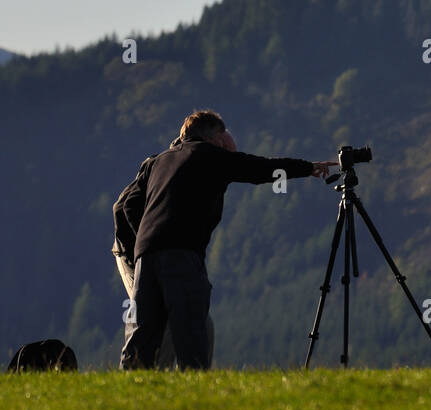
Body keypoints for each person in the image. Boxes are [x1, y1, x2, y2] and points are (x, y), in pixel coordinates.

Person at [118, 109, 336, 370]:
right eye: (225, 136)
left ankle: (128, 390)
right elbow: (260, 168)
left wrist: (142, 240)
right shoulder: (210, 156)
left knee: (143, 334)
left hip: (146, 255)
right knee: (190, 330)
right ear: (215, 138)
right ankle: (195, 394)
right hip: (182, 253)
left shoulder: (158, 161)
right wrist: (308, 167)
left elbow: (126, 204)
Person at [112, 136, 214, 368]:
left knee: (191, 318)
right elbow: (123, 207)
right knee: (161, 317)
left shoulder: (179, 165)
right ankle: (153, 374)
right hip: (132, 252)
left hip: (144, 250)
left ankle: (168, 376)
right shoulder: (164, 166)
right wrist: (144, 248)